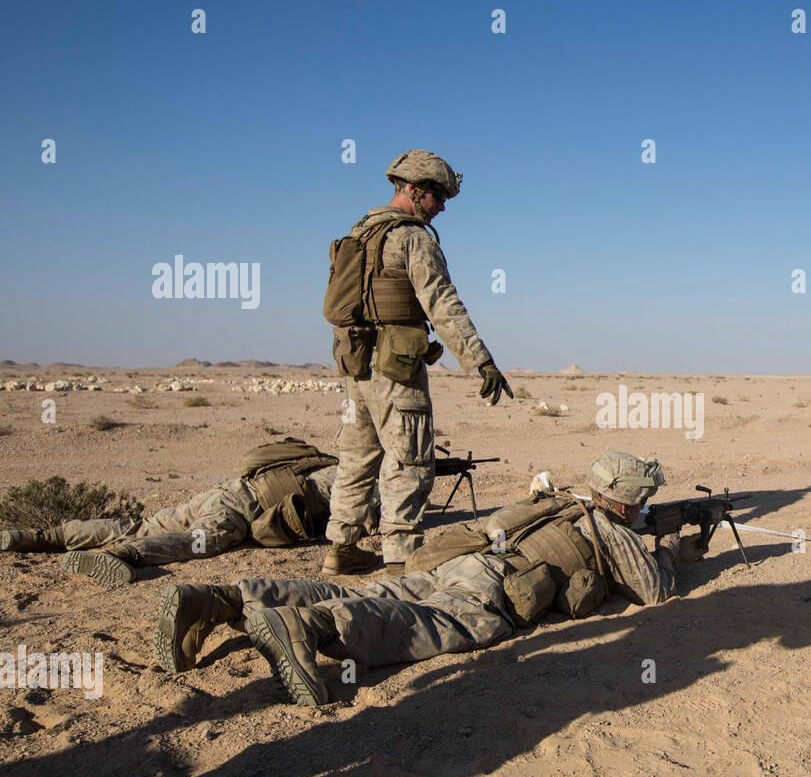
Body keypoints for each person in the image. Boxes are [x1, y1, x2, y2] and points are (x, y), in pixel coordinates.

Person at [153, 452, 704, 704]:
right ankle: (310, 627)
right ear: (632, 502)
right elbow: (656, 593)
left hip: (452, 558)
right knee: (424, 623)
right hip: (490, 588)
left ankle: (221, 599)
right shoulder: (611, 530)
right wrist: (674, 549)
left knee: (368, 590)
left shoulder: (560, 498)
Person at [322, 149, 512, 578]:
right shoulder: (413, 238)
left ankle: (341, 546)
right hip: (395, 368)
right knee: (408, 459)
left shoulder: (360, 231)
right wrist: (480, 361)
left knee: (356, 458)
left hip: (355, 364)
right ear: (412, 190)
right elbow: (442, 304)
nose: (442, 206)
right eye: (437, 196)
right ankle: (400, 559)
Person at [0, 439, 341, 596]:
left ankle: (42, 537)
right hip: (238, 508)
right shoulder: (346, 477)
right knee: (200, 542)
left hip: (221, 493)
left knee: (140, 525)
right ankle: (120, 555)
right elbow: (355, 511)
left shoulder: (322, 461)